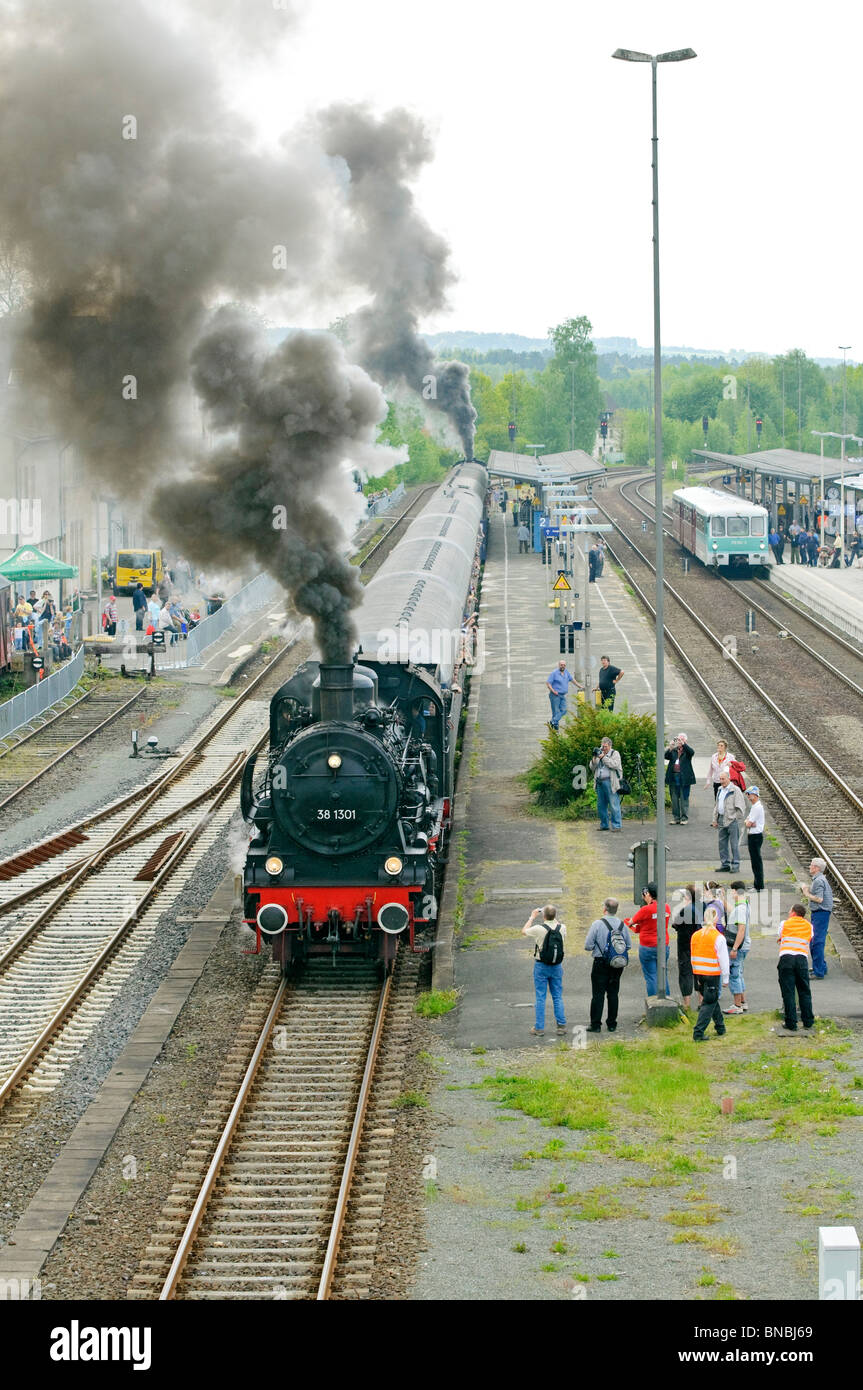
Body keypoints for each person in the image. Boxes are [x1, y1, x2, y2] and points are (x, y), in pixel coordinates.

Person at [584, 898, 631, 1032]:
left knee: (598, 994)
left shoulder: (597, 924)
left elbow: (588, 946)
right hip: (617, 964)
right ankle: (611, 1024)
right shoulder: (622, 925)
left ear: (604, 909)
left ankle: (596, 1024)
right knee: (613, 994)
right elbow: (628, 945)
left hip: (600, 962)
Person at [522, 905, 567, 1037]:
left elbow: (524, 931)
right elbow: (556, 924)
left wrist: (532, 917)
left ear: (543, 916)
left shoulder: (538, 929)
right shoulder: (562, 927)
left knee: (540, 997)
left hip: (541, 965)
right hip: (557, 966)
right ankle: (561, 1026)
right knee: (557, 996)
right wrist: (553, 916)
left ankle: (539, 1028)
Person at [690, 907, 730, 1042]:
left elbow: (692, 956)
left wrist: (696, 974)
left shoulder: (696, 935)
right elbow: (724, 960)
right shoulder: (718, 937)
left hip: (698, 973)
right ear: (716, 919)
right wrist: (726, 978)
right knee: (709, 1002)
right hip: (712, 973)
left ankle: (720, 1027)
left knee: (711, 1000)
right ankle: (698, 1032)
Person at [626, 881, 671, 997]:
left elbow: (631, 922)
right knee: (663, 974)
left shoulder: (645, 910)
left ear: (648, 894)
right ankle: (667, 999)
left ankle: (653, 1002)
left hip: (647, 946)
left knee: (651, 976)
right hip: (663, 945)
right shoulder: (666, 907)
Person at [777, 904, 815, 1033]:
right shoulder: (809, 926)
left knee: (788, 992)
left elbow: (780, 935)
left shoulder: (784, 923)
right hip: (801, 960)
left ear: (793, 912)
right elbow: (809, 938)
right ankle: (808, 1021)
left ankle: (791, 1023)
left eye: (789, 910)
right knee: (804, 990)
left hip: (786, 958)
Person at [799, 858, 833, 979]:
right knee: (816, 940)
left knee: (816, 942)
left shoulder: (818, 881)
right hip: (822, 912)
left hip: (820, 912)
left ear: (817, 868)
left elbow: (819, 899)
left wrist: (805, 892)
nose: (810, 866)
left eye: (812, 865)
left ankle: (818, 971)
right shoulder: (820, 879)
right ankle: (821, 967)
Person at [671, 884, 702, 1010]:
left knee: (685, 973)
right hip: (699, 943)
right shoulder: (701, 907)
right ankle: (701, 1000)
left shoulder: (686, 910)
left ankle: (687, 1003)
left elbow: (676, 924)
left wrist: (682, 907)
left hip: (685, 945)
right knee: (699, 972)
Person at [723, 881, 751, 1015]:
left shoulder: (741, 909)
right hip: (743, 946)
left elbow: (741, 930)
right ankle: (743, 1002)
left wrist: (734, 948)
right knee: (739, 973)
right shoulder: (743, 904)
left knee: (734, 975)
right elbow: (732, 911)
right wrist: (722, 899)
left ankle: (737, 1005)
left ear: (735, 891)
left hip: (738, 947)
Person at [711, 769, 747, 872]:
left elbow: (741, 806)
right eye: (720, 779)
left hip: (732, 821)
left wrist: (735, 817)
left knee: (734, 844)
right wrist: (714, 819)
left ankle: (735, 865)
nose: (721, 781)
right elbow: (717, 805)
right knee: (722, 844)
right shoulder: (719, 790)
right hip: (721, 819)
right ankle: (725, 864)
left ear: (728, 778)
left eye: (723, 779)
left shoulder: (735, 790)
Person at [590, 736, 623, 832]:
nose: (603, 748)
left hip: (610, 782)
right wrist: (595, 758)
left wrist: (603, 757)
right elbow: (592, 767)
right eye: (602, 746)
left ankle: (617, 826)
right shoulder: (599, 753)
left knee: (613, 804)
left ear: (609, 746)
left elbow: (614, 765)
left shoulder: (615, 753)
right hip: (599, 782)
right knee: (601, 805)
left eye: (605, 746)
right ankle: (604, 825)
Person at [664, 732, 695, 824]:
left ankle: (684, 818)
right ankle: (676, 817)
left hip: (684, 779)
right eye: (678, 739)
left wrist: (684, 744)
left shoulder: (687, 751)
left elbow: (691, 752)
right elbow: (666, 756)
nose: (679, 741)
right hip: (673, 777)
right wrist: (670, 747)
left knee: (684, 798)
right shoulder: (674, 750)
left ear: (685, 740)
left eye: (681, 739)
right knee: (674, 798)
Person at [546, 659, 583, 732]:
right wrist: (553, 691)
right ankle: (555, 729)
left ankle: (553, 721)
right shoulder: (554, 673)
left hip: (562, 695)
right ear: (559, 665)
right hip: (555, 695)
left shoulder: (566, 673)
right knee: (556, 712)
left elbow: (573, 680)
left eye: (564, 665)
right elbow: (548, 683)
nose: (562, 666)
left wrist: (580, 686)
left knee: (564, 710)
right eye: (561, 665)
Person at [744, 785, 765, 891]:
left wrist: (748, 823)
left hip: (755, 836)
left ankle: (758, 886)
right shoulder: (755, 806)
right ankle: (757, 884)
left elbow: (748, 823)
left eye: (749, 794)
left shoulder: (757, 807)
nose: (748, 796)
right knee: (755, 861)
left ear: (755, 795)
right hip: (754, 836)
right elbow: (749, 822)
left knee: (756, 862)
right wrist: (749, 822)